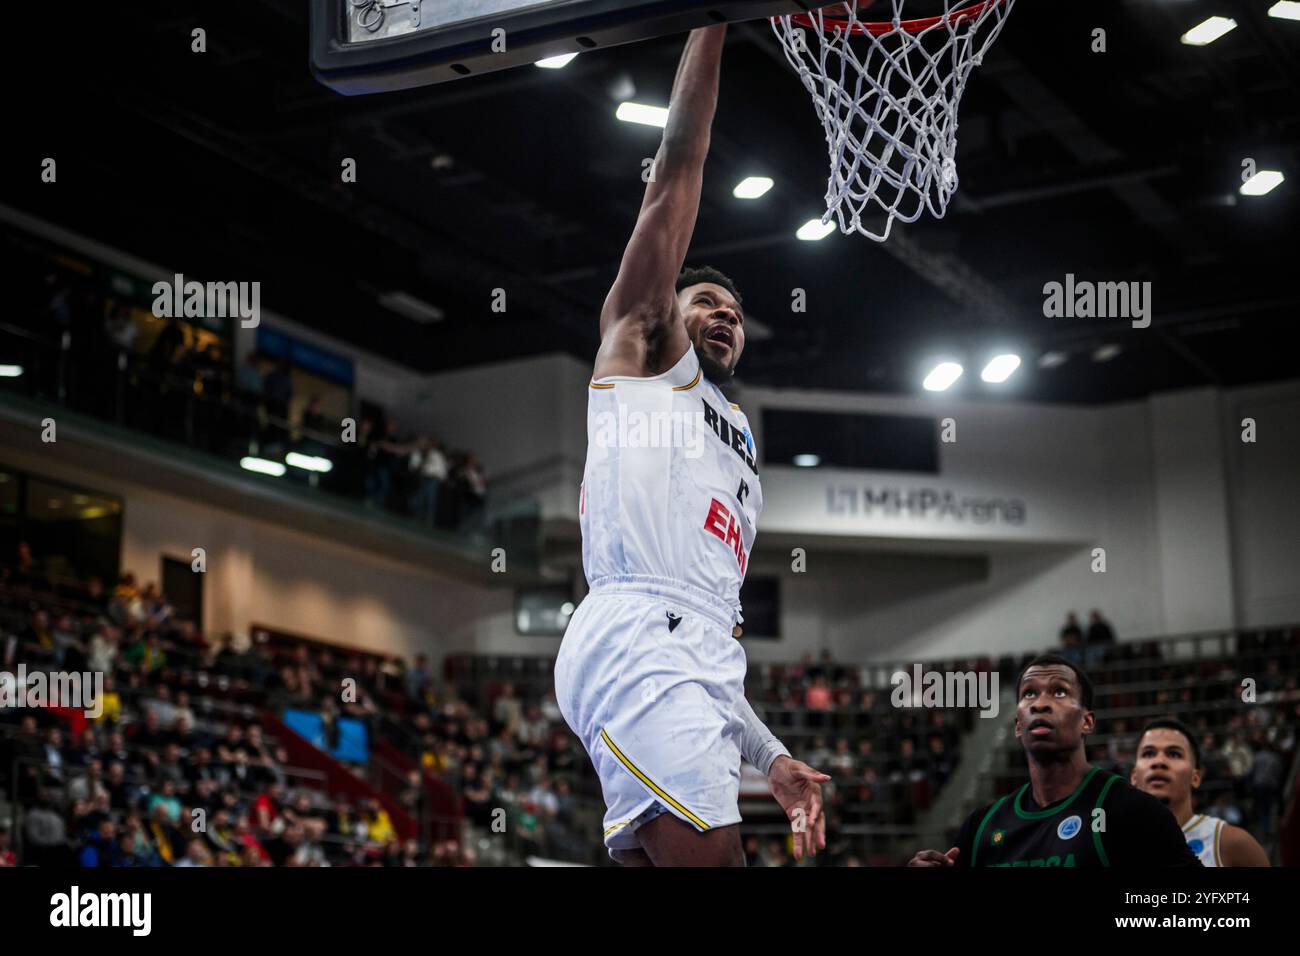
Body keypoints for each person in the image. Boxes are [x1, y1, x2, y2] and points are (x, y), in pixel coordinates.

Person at [553, 25, 826, 867]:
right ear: (668, 308)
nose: (723, 316)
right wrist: (712, 24)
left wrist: (770, 755)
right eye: (703, 300)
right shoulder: (641, 348)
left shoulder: (740, 443)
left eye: (736, 314)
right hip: (635, 630)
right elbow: (677, 168)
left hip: (690, 652)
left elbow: (712, 646)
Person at [908, 655, 1200, 867]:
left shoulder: (1134, 812)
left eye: (1059, 691)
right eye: (1029, 693)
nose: (1040, 703)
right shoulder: (981, 826)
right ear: (1018, 725)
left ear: (1087, 721)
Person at [1130, 717, 1269, 866]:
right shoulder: (1109, 846)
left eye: (1174, 754)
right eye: (1148, 754)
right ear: (1134, 776)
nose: (1159, 762)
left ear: (1196, 777)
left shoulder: (1231, 844)